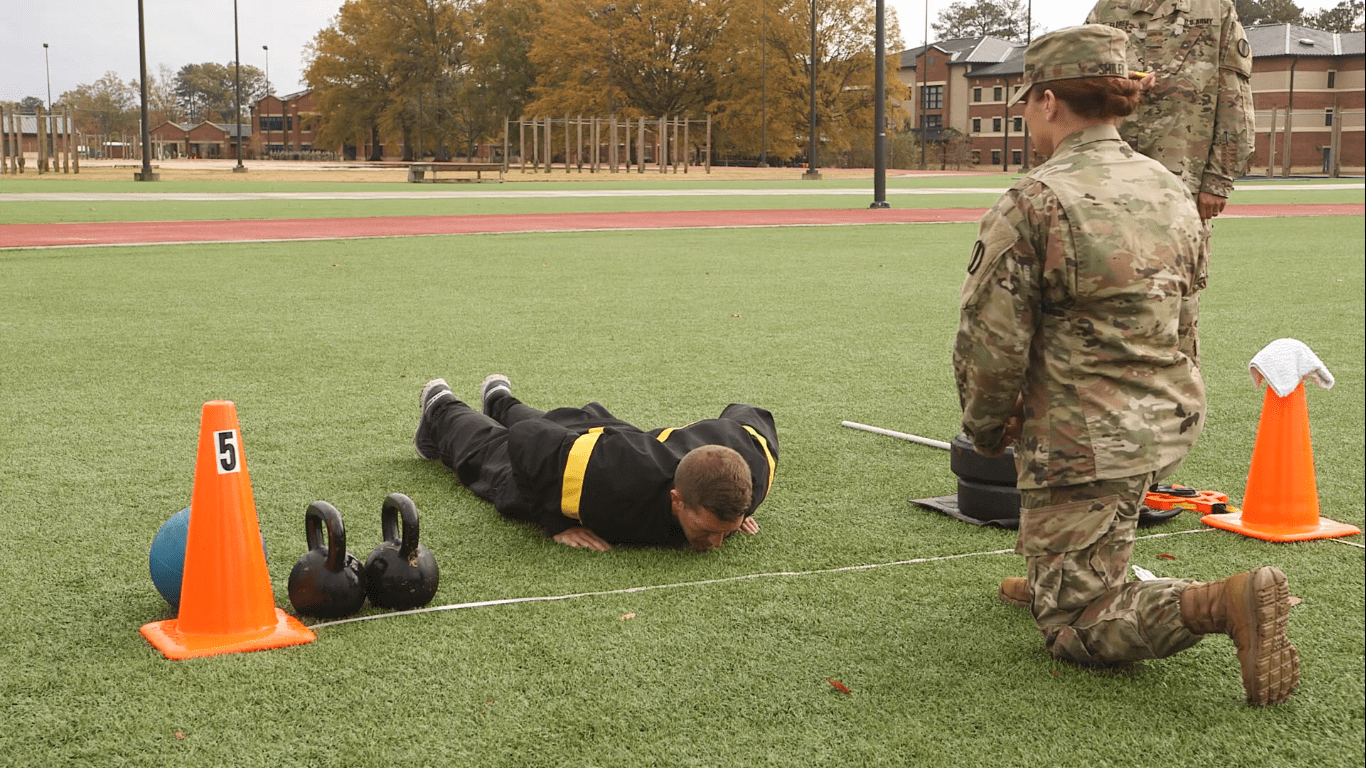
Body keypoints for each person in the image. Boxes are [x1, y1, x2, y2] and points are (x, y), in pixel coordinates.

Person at [954, 25, 1298, 706]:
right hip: (1167, 418)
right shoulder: (1172, 190)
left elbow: (990, 343)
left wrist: (987, 430)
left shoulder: (1036, 201)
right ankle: (1066, 564)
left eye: (1027, 101)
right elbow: (1186, 316)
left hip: (1087, 441)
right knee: (1086, 521)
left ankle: (1213, 604)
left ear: (1050, 102)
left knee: (1076, 630)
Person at [414, 374, 777, 552]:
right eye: (707, 529)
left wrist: (735, 515)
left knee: (569, 430)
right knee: (495, 455)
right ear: (676, 499)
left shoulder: (754, 473)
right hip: (609, 462)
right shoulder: (613, 487)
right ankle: (440, 407)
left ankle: (499, 401)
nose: (716, 543)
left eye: (725, 531)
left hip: (629, 443)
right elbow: (527, 437)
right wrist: (554, 521)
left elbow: (749, 414)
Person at [1086, 0, 1256, 223]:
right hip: (1111, 179)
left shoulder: (1216, 10)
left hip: (1182, 182)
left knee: (1178, 257)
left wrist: (1219, 179)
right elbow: (1081, 91)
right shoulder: (1106, 11)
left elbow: (1234, 100)